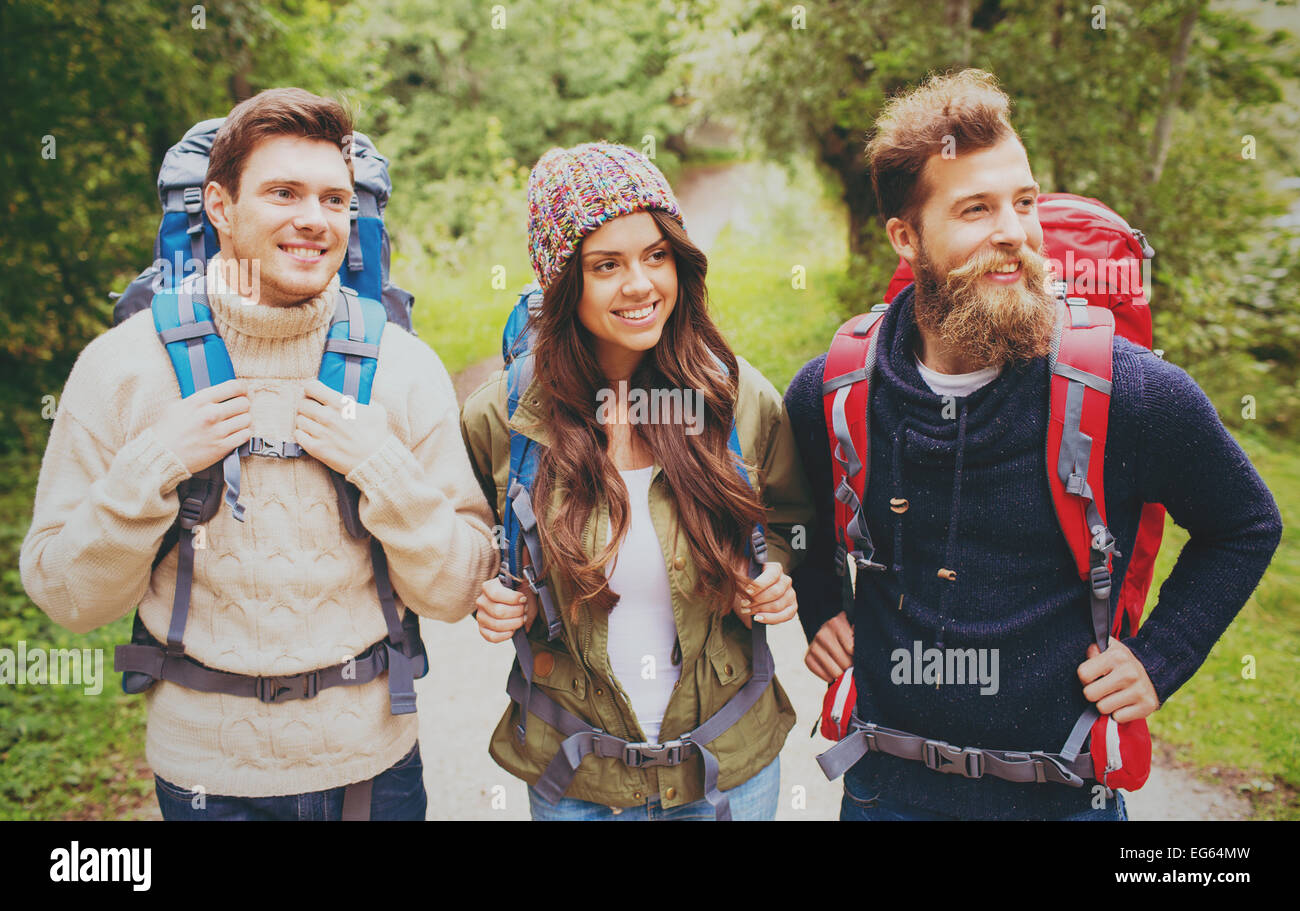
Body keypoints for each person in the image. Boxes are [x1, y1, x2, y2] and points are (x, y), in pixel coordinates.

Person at [784, 69, 1283, 821]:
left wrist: (1160, 657)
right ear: (906, 236)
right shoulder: (836, 388)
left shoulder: (1131, 392)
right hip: (885, 789)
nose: (1014, 230)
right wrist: (821, 603)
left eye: (1023, 201)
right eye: (977, 208)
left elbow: (1245, 522)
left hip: (1060, 799)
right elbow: (795, 515)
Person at [20, 88, 498, 820]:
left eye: (335, 199)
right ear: (219, 204)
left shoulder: (402, 367)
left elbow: (459, 588)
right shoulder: (123, 368)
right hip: (204, 778)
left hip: (373, 769)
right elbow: (65, 594)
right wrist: (153, 466)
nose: (315, 219)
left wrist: (383, 469)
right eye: (283, 192)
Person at [462, 142, 814, 820]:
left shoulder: (737, 399)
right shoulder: (502, 417)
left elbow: (791, 519)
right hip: (577, 782)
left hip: (727, 774)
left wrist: (766, 576)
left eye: (657, 255)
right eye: (607, 265)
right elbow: (464, 539)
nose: (640, 284)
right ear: (565, 281)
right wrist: (494, 590)